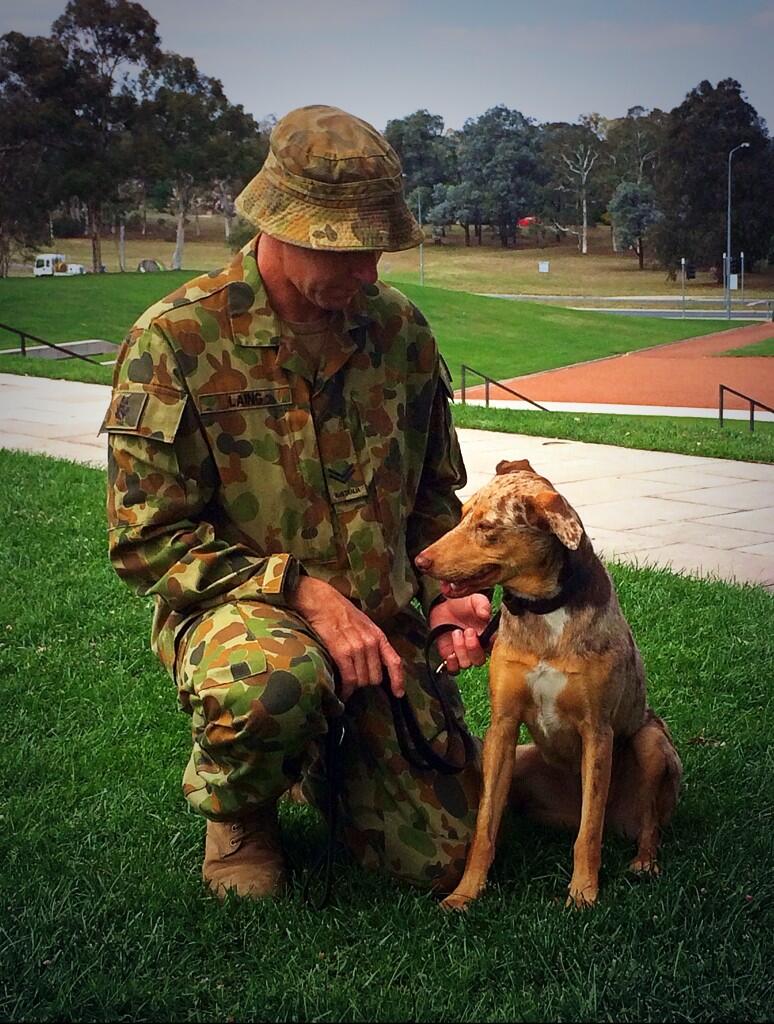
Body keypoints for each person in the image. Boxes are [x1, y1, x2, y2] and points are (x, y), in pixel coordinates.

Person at [102, 104, 491, 900]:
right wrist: (302, 593)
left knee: (443, 859)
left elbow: (431, 496)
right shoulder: (176, 339)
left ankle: (331, 758)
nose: (369, 272)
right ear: (282, 227)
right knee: (273, 686)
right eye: (348, 250)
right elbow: (148, 539)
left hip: (383, 626)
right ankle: (244, 806)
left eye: (376, 248)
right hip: (248, 619)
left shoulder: (401, 335)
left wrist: (453, 596)